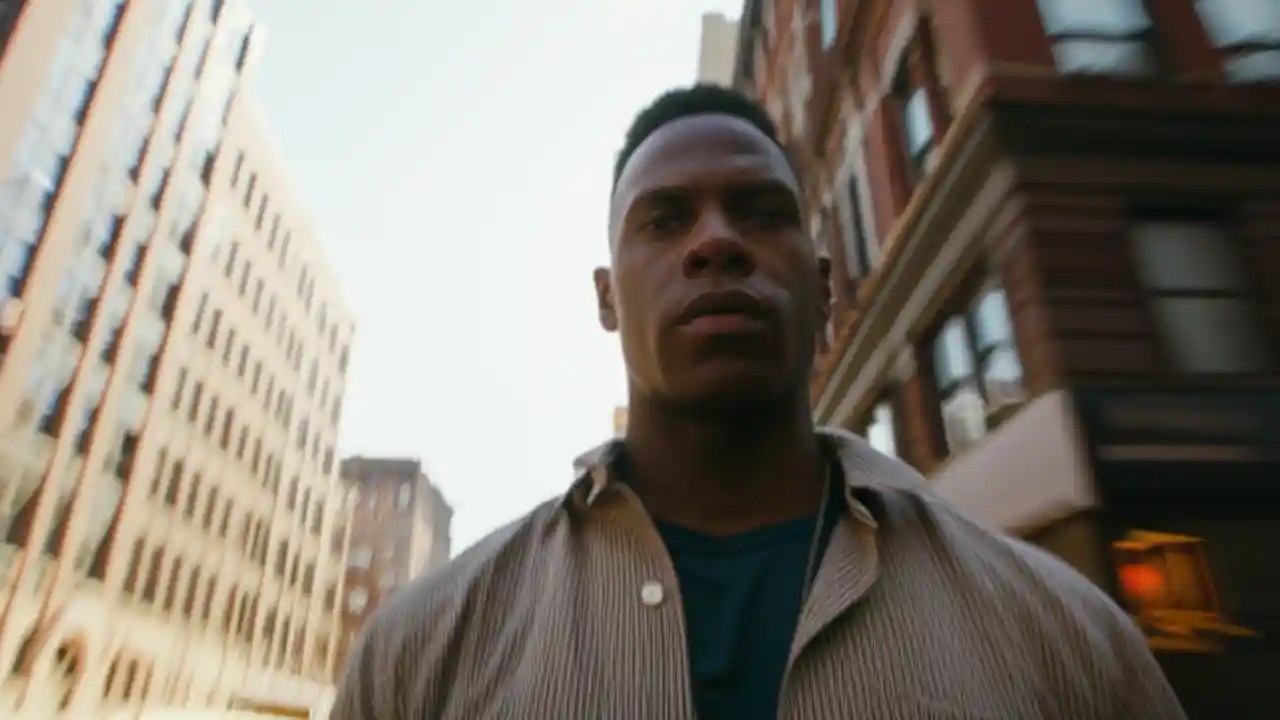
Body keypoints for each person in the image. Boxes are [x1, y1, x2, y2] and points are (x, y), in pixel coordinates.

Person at [332, 85, 1185, 720]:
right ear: (606, 299)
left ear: (821, 291)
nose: (715, 241)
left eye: (759, 212)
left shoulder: (1070, 640)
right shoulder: (421, 655)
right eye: (665, 221)